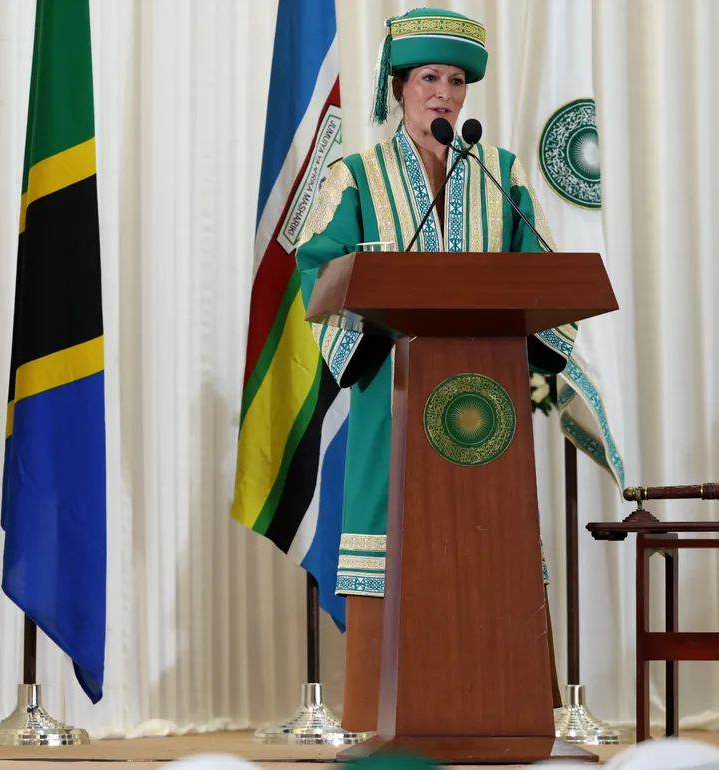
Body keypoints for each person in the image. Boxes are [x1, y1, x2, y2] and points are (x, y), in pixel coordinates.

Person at [293, 7, 577, 732]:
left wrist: (540, 344)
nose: (444, 95)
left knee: (491, 540)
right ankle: (383, 717)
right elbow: (318, 277)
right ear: (399, 88)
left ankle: (504, 715)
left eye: (455, 81)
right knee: (390, 540)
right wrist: (371, 335)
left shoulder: (502, 176)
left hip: (486, 405)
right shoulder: (355, 179)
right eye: (428, 79)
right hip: (393, 403)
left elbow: (546, 277)